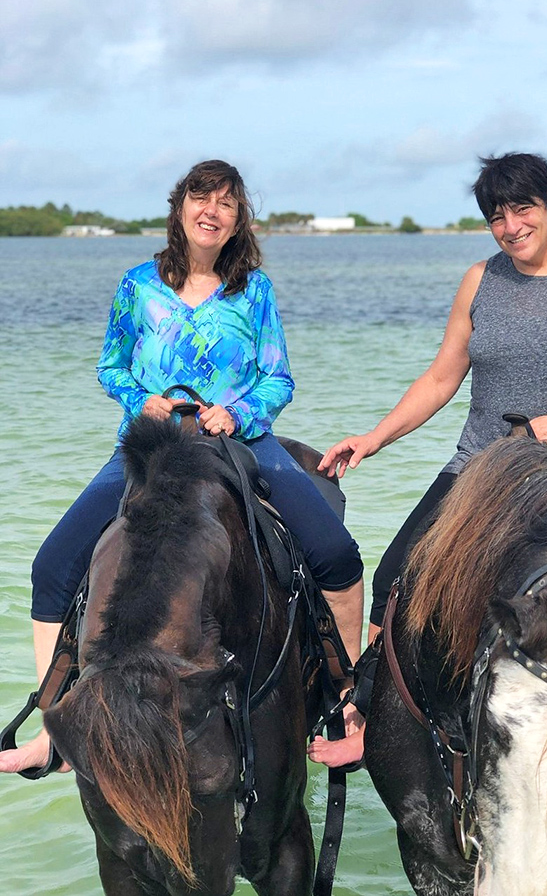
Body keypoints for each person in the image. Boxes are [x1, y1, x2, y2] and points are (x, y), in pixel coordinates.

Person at [307, 151, 547, 768]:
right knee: (394, 575)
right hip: (485, 457)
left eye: (523, 209)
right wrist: (374, 438)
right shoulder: (481, 280)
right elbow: (441, 378)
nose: (511, 227)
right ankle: (369, 717)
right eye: (497, 217)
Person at [1, 159, 364, 775]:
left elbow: (278, 378)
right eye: (201, 197)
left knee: (336, 554)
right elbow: (110, 366)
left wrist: (238, 412)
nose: (211, 210)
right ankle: (55, 730)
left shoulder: (254, 290)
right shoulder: (137, 285)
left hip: (241, 441)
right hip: (152, 445)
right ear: (180, 209)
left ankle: (343, 700)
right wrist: (140, 399)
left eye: (226, 202)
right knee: (52, 568)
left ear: (238, 220)